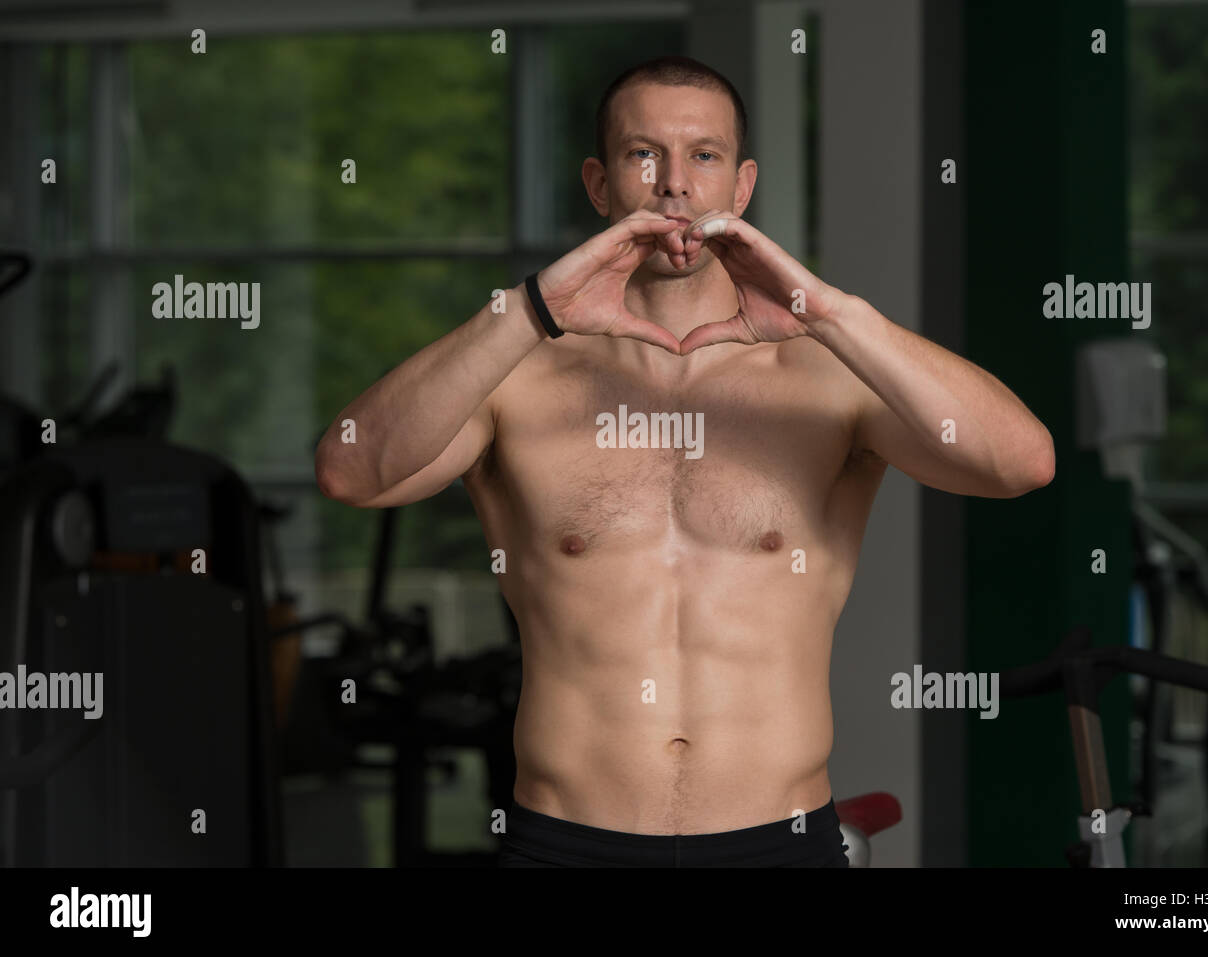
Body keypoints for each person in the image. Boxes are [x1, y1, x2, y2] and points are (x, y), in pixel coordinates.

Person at [315, 55, 1054, 867]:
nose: (674, 183)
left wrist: (834, 314)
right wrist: (526, 313)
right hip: (564, 845)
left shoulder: (826, 376)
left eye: (703, 156)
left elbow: (1020, 462)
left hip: (778, 842)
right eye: (643, 155)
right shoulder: (518, 378)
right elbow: (352, 472)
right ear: (599, 184)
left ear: (741, 188)